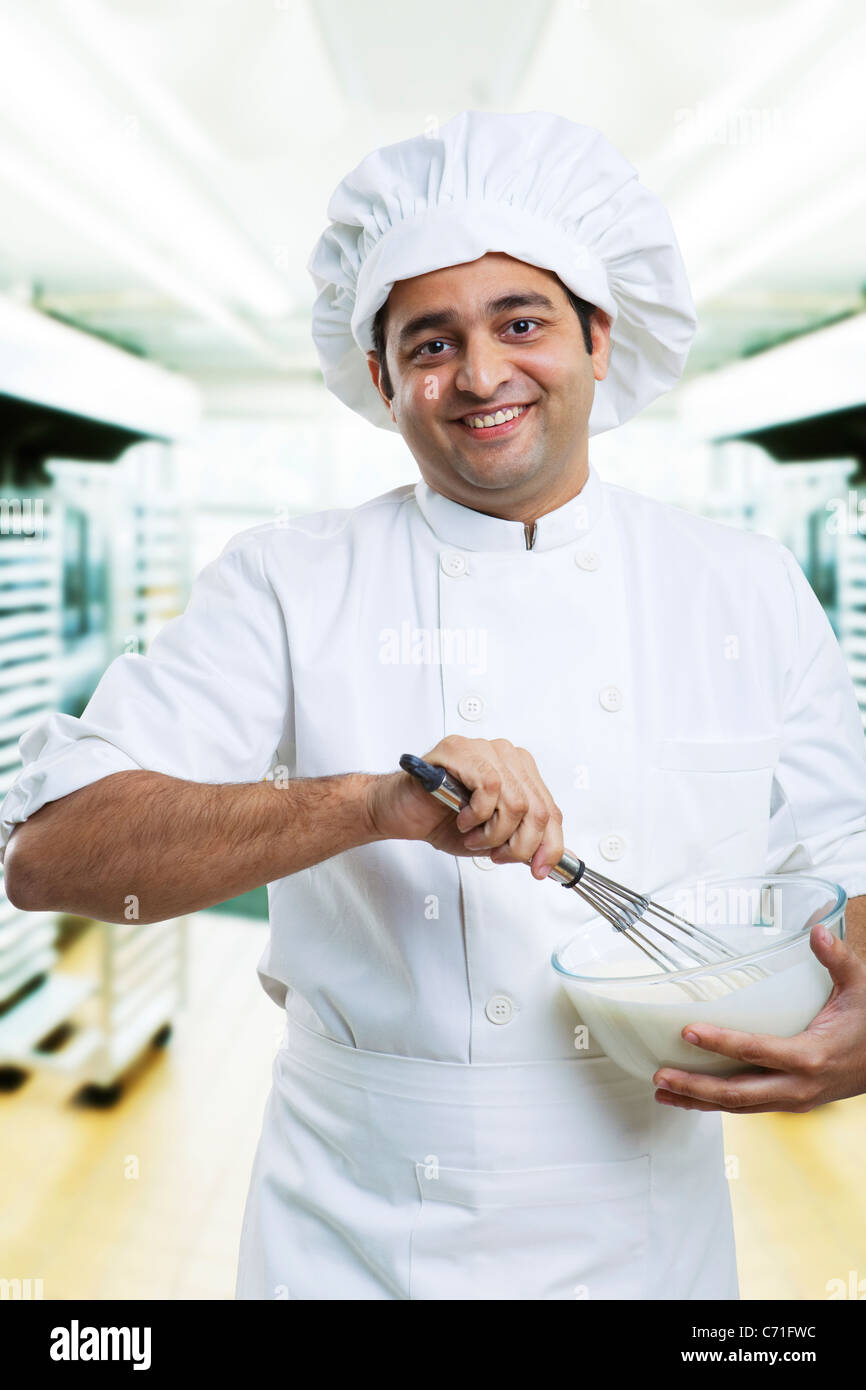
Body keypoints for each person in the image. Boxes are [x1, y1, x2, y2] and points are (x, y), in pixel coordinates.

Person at [3, 110, 866, 1302]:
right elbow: (55, 856)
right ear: (379, 376)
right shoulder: (287, 580)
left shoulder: (740, 586)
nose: (478, 375)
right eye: (429, 341)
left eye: (521, 321)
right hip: (353, 1232)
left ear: (599, 337)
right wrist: (372, 804)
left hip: (644, 1223)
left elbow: (843, 850)